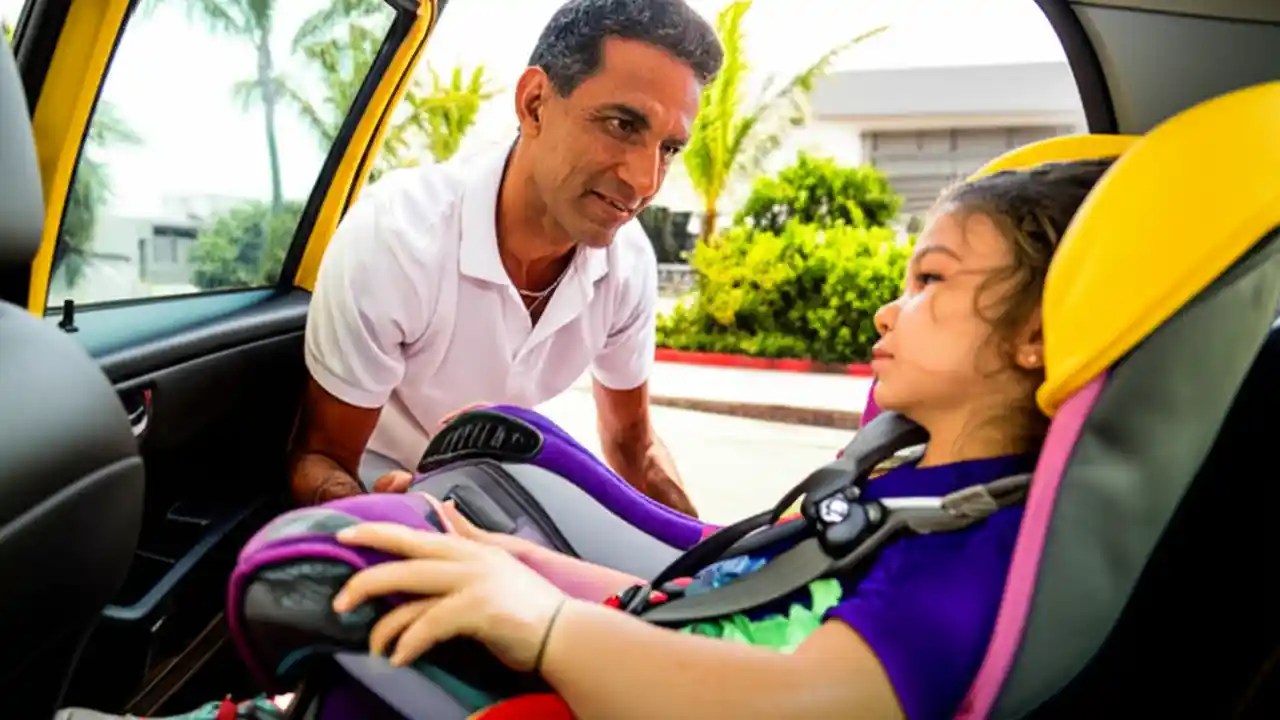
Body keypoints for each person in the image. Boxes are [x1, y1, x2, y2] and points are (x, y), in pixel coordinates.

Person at [56, 158, 1114, 720]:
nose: (889, 310)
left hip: (609, 685)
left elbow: (796, 703)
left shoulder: (963, 547)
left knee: (323, 582)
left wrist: (541, 625)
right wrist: (519, 564)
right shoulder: (904, 484)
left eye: (928, 283)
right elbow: (718, 594)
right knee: (433, 532)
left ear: (1036, 335)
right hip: (645, 640)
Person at [290, 0, 723, 516]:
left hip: (498, 509)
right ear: (535, 103)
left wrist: (709, 560)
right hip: (379, 506)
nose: (645, 181)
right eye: (622, 125)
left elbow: (635, 447)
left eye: (669, 148)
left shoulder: (627, 265)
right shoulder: (399, 237)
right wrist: (385, 523)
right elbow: (320, 459)